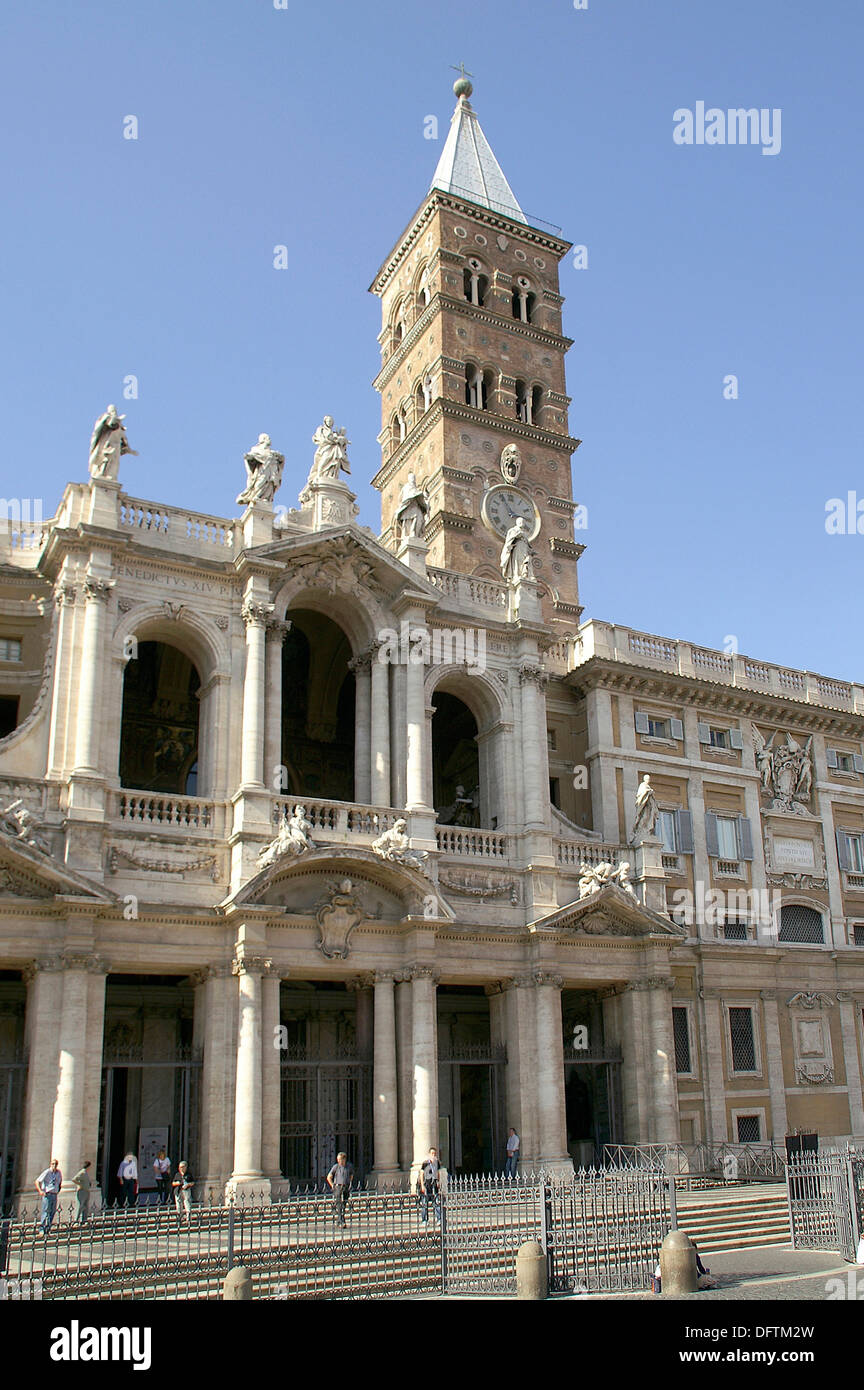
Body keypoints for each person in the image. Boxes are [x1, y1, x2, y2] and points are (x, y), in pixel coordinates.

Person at [34, 1158, 62, 1235]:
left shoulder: (58, 1173)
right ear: (50, 1164)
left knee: (52, 1212)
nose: (54, 1165)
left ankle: (48, 1228)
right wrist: (40, 1191)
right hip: (48, 1193)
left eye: (56, 1164)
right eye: (53, 1164)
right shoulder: (47, 1172)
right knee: (46, 1211)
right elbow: (37, 1181)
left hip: (54, 1193)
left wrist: (58, 1189)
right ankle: (41, 1229)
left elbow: (59, 1182)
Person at [326, 1152, 354, 1228]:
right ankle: (340, 1220)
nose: (339, 1161)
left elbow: (351, 1175)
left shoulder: (349, 1166)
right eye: (338, 1159)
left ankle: (341, 1220)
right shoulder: (336, 1167)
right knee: (339, 1204)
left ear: (344, 1159)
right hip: (338, 1186)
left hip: (346, 1186)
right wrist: (333, 1185)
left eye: (340, 1159)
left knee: (344, 1203)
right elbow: (329, 1177)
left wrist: (349, 1182)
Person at [418, 1147, 442, 1226]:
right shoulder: (425, 1163)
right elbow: (421, 1174)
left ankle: (439, 1219)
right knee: (425, 1203)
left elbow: (438, 1173)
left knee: (436, 1203)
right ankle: (425, 1220)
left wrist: (438, 1181)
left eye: (434, 1154)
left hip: (434, 1185)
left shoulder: (437, 1163)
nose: (433, 1155)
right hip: (426, 1185)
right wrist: (422, 1185)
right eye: (432, 1153)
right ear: (429, 1154)